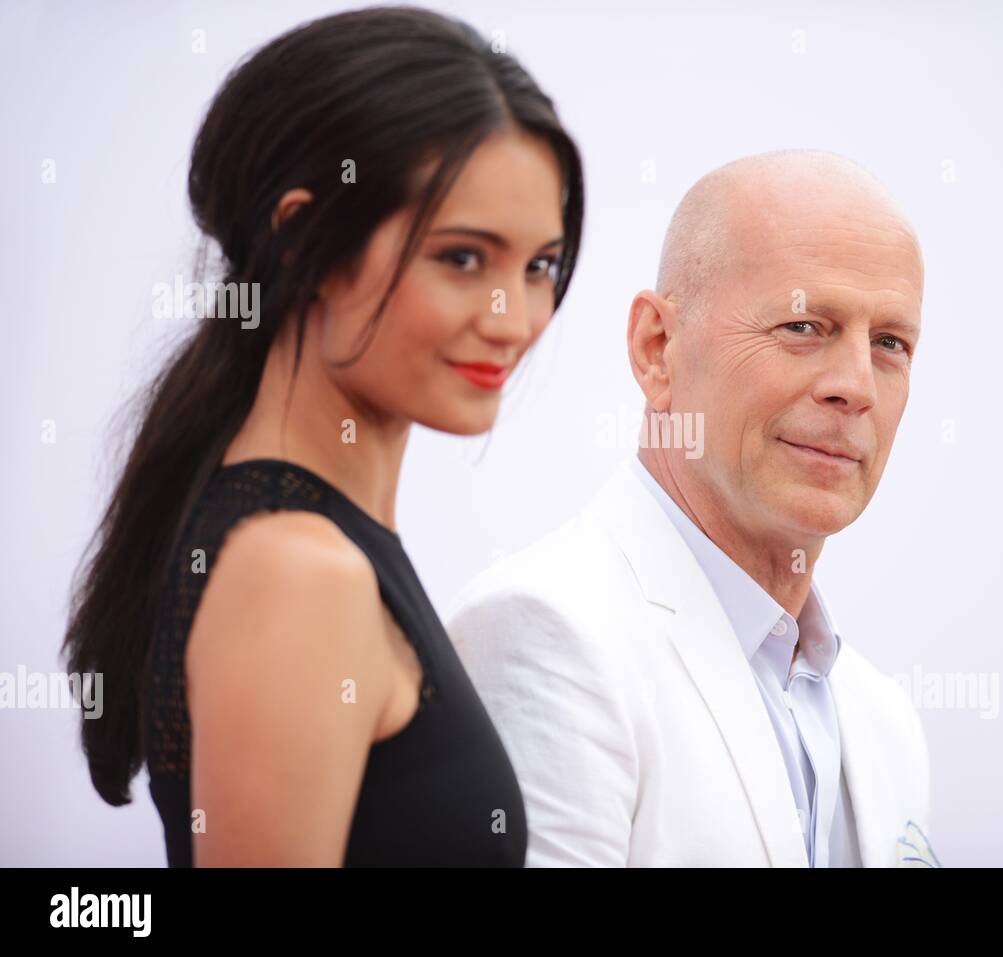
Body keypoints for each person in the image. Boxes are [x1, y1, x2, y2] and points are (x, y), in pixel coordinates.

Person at [62, 6, 584, 866]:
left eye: (539, 266)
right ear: (303, 236)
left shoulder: (313, 543)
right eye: (462, 258)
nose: (514, 317)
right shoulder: (300, 574)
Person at [447, 150, 935, 867]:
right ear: (657, 348)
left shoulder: (886, 720)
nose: (855, 385)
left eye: (890, 343)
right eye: (804, 326)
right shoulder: (546, 634)